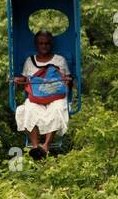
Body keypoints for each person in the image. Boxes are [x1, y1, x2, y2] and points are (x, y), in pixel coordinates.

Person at [13, 30, 73, 159]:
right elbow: (24, 79)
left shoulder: (59, 60)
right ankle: (35, 147)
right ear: (36, 45)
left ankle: (46, 145)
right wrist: (18, 80)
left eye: (46, 43)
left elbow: (67, 78)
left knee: (57, 109)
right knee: (27, 109)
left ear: (50, 44)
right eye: (41, 43)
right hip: (36, 97)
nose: (44, 46)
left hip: (55, 96)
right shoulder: (30, 61)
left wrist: (66, 83)